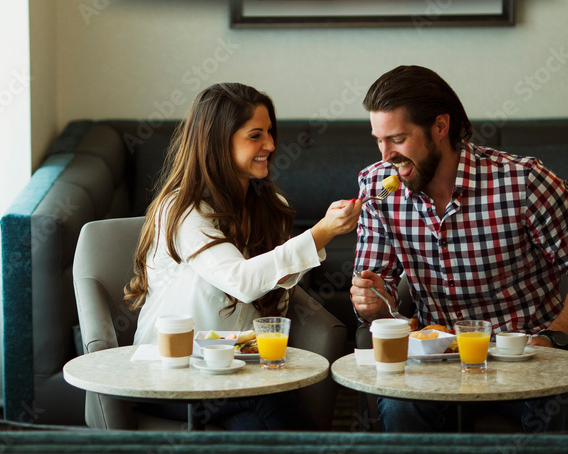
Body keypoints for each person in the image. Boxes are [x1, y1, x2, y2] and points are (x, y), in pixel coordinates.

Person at [123, 82, 360, 430]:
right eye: (255, 135)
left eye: (270, 133)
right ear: (219, 143)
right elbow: (242, 282)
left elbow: (271, 286)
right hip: (170, 372)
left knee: (256, 416)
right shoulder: (185, 211)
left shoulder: (269, 205)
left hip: (234, 370)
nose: (271, 145)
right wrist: (322, 232)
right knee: (265, 398)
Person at [350, 65, 568, 433]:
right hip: (437, 360)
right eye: (378, 140)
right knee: (399, 411)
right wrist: (372, 301)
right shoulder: (377, 187)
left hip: (526, 354)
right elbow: (378, 289)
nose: (385, 155)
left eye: (398, 139)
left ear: (440, 126)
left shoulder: (523, 182)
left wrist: (555, 336)